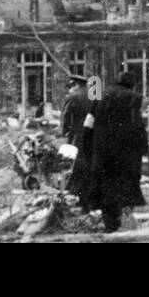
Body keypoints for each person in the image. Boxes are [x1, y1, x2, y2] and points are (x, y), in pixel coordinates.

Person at [85, 72, 149, 233]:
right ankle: (123, 220)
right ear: (132, 85)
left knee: (105, 186)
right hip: (126, 154)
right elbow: (138, 126)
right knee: (125, 186)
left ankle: (110, 224)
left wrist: (88, 147)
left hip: (103, 152)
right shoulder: (134, 98)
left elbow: (88, 124)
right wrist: (144, 147)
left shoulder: (100, 96)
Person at [60, 75, 93, 210]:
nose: (70, 89)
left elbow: (65, 120)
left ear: (75, 85)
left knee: (77, 168)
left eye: (70, 86)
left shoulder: (72, 98)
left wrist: (65, 134)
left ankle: (79, 200)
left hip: (79, 138)